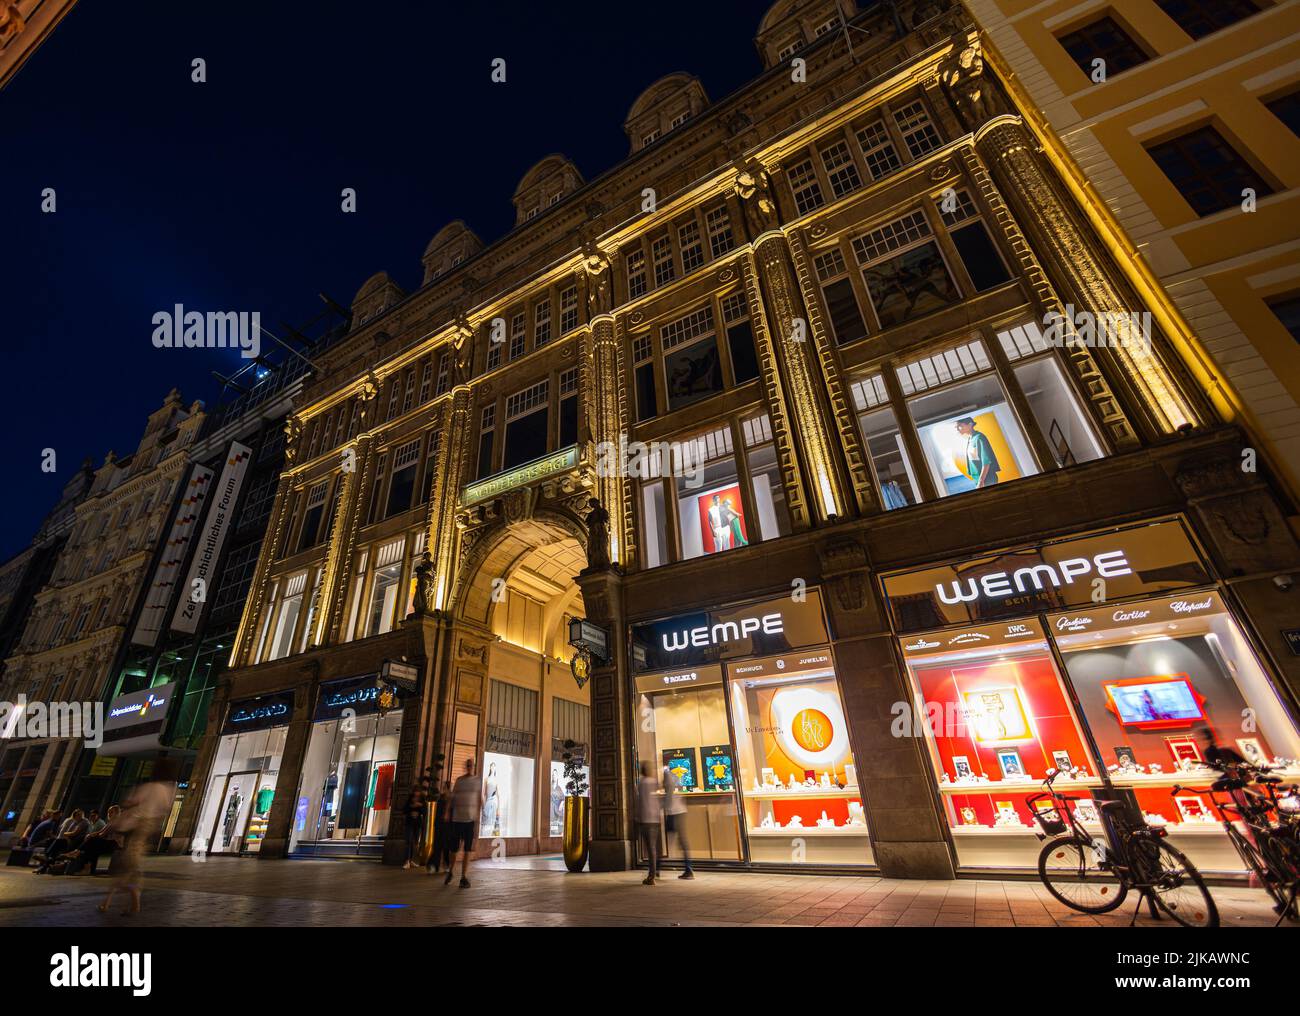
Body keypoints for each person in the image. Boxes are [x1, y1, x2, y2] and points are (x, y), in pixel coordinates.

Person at [98, 767, 176, 916]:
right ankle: (112, 902)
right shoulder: (168, 790)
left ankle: (127, 904)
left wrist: (130, 805)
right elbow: (164, 810)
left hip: (137, 827)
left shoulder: (150, 787)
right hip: (146, 829)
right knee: (130, 866)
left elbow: (132, 802)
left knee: (129, 868)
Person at [444, 758, 483, 888]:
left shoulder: (477, 781)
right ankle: (450, 871)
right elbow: (452, 797)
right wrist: (447, 812)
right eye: (468, 765)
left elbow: (479, 799)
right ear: (465, 766)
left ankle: (463, 877)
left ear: (474, 766)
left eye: (471, 765)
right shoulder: (459, 781)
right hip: (457, 819)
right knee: (454, 849)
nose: (469, 767)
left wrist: (478, 816)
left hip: (470, 820)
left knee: (467, 849)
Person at [58, 805, 122, 875]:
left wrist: (91, 835)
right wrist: (90, 835)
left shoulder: (116, 822)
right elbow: (100, 831)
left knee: (91, 841)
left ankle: (76, 853)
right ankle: (77, 857)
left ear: (116, 813)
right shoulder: (110, 822)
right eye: (108, 812)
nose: (109, 814)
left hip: (113, 844)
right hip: (108, 843)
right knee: (86, 840)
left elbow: (102, 834)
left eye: (111, 812)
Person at [661, 764, 694, 880]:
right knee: (679, 840)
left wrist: (665, 805)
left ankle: (656, 869)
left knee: (668, 840)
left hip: (674, 812)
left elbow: (669, 792)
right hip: (679, 810)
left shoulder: (667, 775)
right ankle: (688, 868)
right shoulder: (676, 776)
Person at [635, 761, 662, 886]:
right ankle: (655, 872)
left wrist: (637, 816)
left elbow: (639, 801)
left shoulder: (641, 783)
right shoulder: (654, 782)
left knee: (650, 848)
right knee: (654, 848)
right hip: (655, 818)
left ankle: (651, 876)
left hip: (645, 819)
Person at [955, 417, 999, 488]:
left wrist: (981, 482)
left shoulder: (979, 438)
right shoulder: (970, 439)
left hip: (987, 479)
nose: (957, 429)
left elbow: (986, 462)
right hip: (978, 479)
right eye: (956, 427)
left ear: (970, 425)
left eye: (960, 426)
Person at [427, 782, 452, 875]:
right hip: (439, 826)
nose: (445, 790)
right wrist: (436, 825)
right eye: (444, 788)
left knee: (446, 846)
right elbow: (437, 814)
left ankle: (446, 864)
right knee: (437, 846)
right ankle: (434, 866)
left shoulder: (451, 800)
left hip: (448, 827)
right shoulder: (440, 799)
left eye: (446, 788)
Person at [401, 784, 426, 869]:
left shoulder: (422, 800)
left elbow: (425, 811)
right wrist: (411, 807)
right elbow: (404, 810)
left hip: (417, 824)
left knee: (415, 842)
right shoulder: (409, 799)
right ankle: (407, 861)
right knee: (408, 841)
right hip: (409, 823)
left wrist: (420, 806)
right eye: (415, 792)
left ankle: (411, 860)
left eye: (418, 792)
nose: (416, 794)